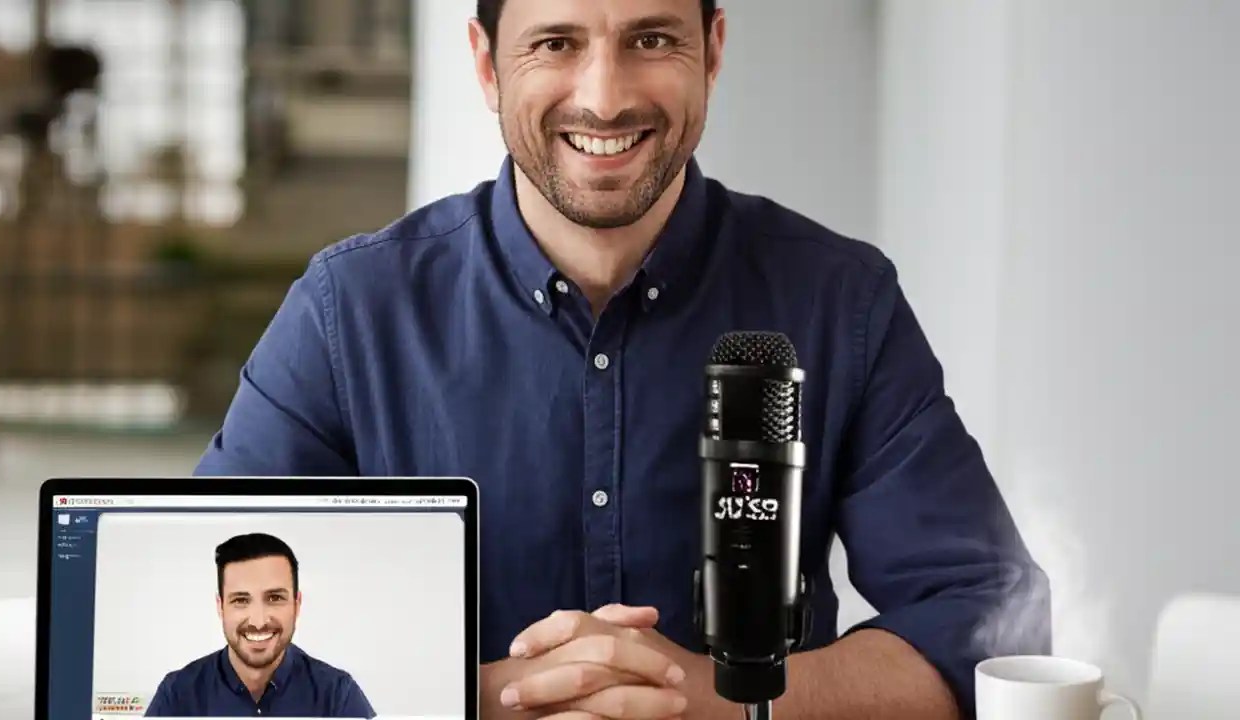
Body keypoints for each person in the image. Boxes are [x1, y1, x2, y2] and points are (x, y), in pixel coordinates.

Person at [194, 0, 1051, 717]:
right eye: (556, 43)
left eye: (650, 39)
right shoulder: (351, 312)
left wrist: (720, 704)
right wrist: (474, 700)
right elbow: (193, 626)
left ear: (711, 52)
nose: (603, 100)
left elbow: (990, 627)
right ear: (488, 64)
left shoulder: (839, 301)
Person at [144, 534, 375, 718]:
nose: (258, 621)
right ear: (220, 606)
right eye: (241, 600)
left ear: (297, 604)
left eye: (274, 598)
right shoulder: (178, 694)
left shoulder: (337, 695)